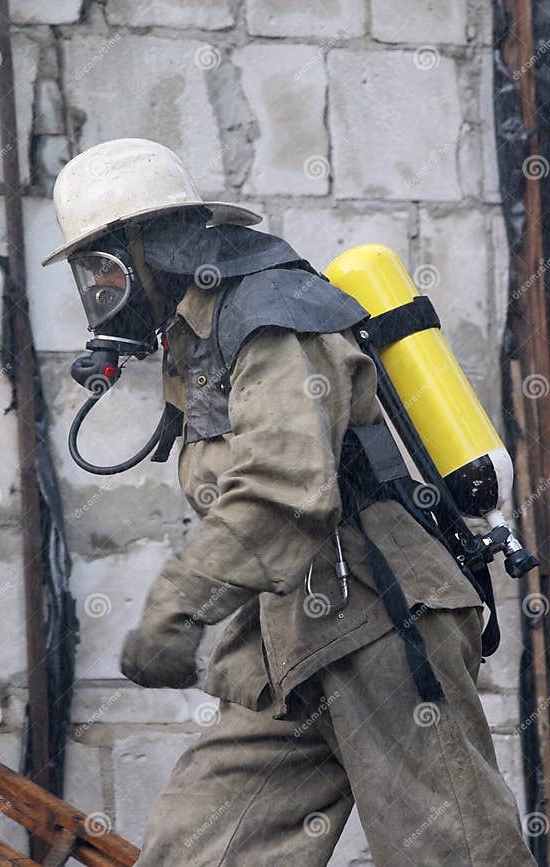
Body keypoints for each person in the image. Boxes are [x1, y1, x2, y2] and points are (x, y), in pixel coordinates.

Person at [44, 138, 536, 866]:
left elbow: (284, 488)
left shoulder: (275, 316)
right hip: (291, 642)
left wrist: (177, 604)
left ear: (150, 246)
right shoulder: (201, 332)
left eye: (105, 268)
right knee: (195, 848)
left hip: (380, 623)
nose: (101, 291)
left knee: (456, 851)